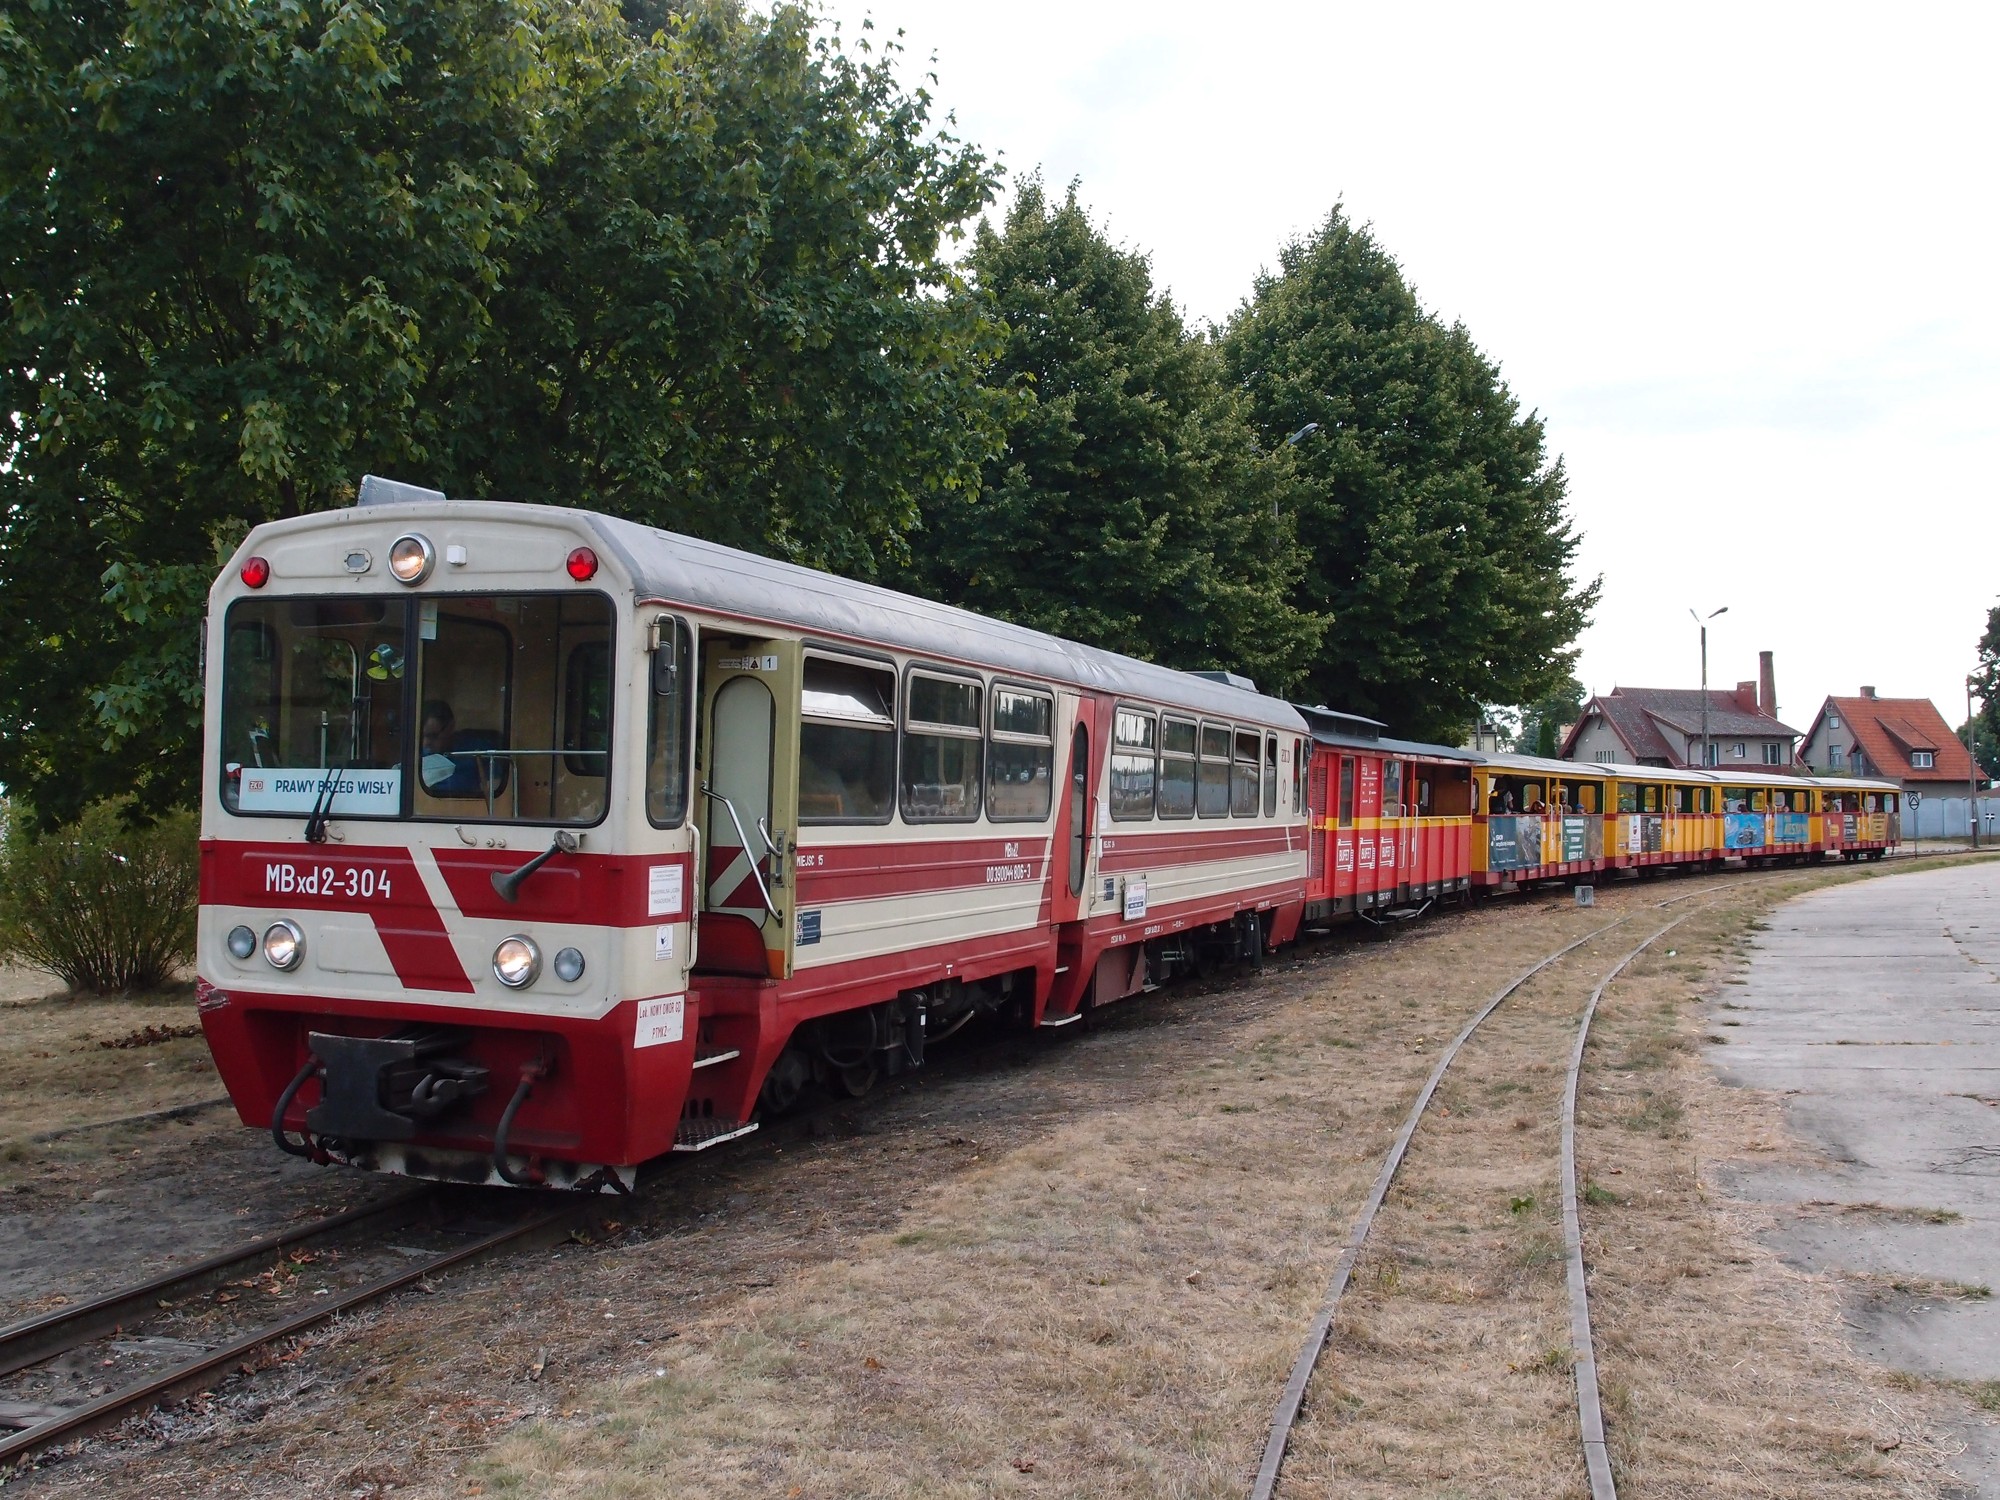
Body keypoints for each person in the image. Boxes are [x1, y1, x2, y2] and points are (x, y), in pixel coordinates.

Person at [420, 700, 486, 796]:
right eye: (421, 737)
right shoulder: (417, 755)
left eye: (433, 736)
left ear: (450, 727)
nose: (425, 743)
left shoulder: (477, 749)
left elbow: (493, 788)